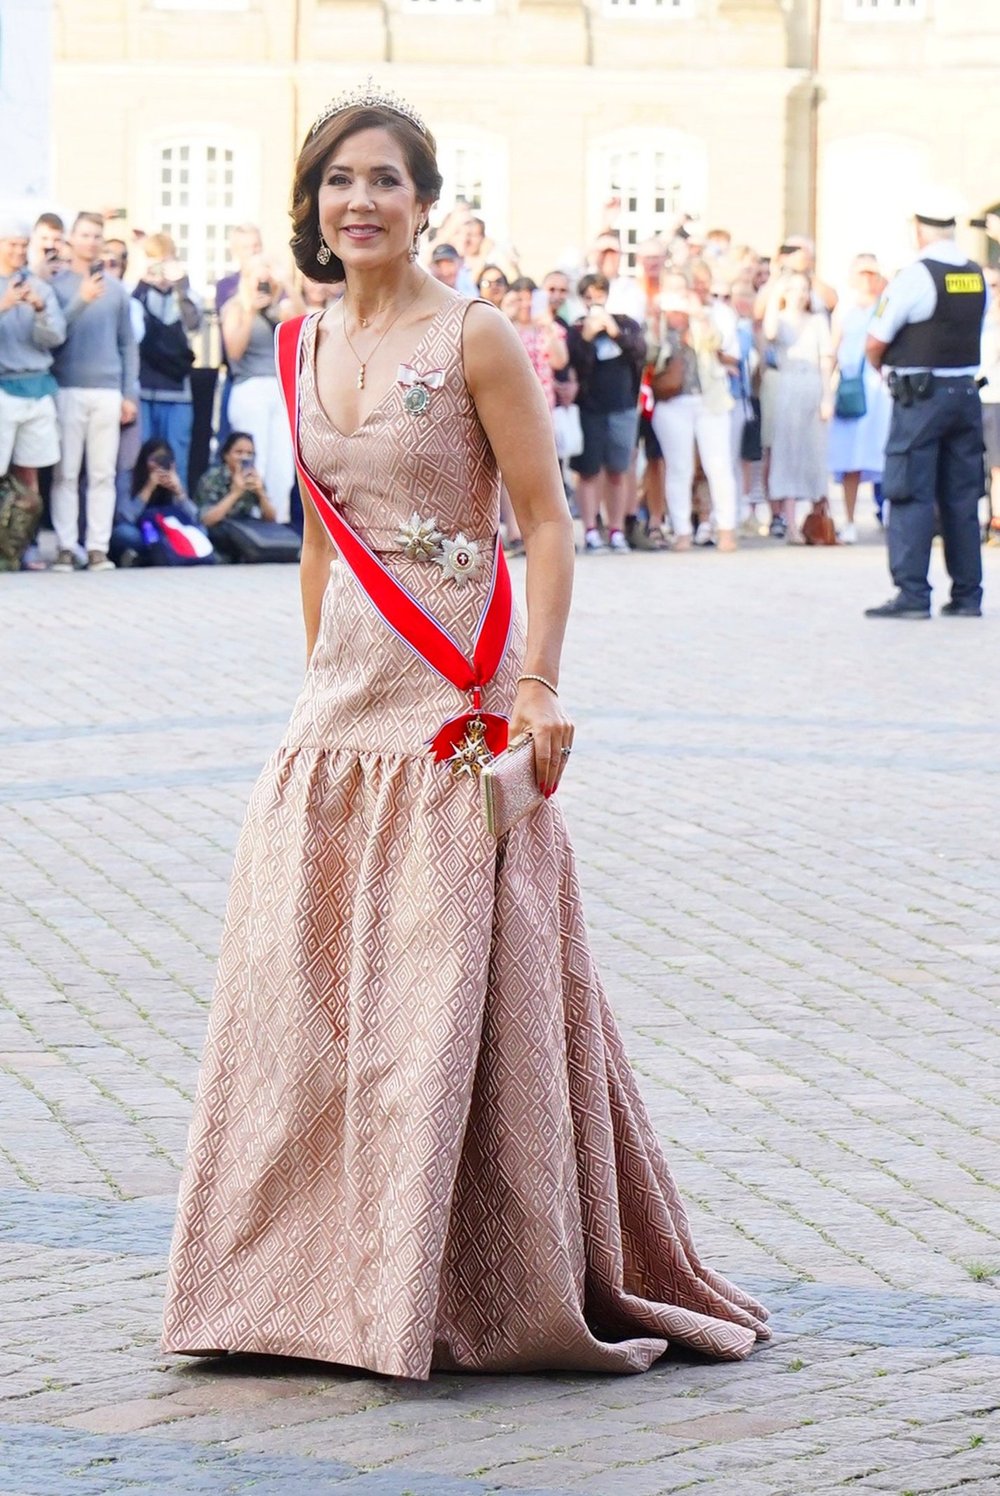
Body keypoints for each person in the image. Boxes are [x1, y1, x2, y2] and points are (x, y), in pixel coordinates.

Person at [162, 83, 769, 1377]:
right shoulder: (296, 340)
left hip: (460, 699)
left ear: (425, 204)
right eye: (339, 182)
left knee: (450, 1003)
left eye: (385, 180)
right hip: (342, 709)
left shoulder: (478, 336)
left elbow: (544, 521)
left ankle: (459, 1276)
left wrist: (537, 685)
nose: (361, 202)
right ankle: (302, 1277)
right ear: (313, 206)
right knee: (311, 1002)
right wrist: (319, 683)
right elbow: (326, 535)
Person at [865, 196, 987, 618]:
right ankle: (968, 595)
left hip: (921, 400)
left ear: (917, 229)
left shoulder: (916, 275)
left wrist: (883, 368)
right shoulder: (975, 274)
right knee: (961, 498)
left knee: (910, 492)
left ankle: (913, 594)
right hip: (965, 396)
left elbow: (877, 339)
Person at [50, 211, 139, 572]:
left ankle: (98, 547)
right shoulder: (57, 286)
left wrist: (128, 393)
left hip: (107, 390)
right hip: (67, 387)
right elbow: (53, 334)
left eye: (95, 235)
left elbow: (128, 345)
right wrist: (81, 300)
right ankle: (66, 547)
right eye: (84, 235)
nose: (90, 241)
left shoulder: (117, 290)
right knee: (66, 473)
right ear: (72, 239)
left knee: (103, 472)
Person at [0, 216, 66, 571]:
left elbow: (55, 337)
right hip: (2, 387)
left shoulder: (40, 287)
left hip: (37, 386)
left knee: (31, 474)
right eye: (10, 244)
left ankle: (23, 546)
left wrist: (40, 310)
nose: (17, 251)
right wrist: (5, 305)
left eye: (22, 245)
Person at [566, 272, 645, 552]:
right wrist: (586, 337)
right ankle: (589, 529)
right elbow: (572, 364)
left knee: (618, 471)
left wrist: (613, 331)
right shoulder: (576, 330)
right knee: (588, 471)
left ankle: (616, 529)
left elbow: (638, 352)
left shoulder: (626, 324)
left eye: (599, 295)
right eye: (588, 296)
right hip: (590, 409)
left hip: (622, 406)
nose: (594, 301)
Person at [220, 256, 296, 522]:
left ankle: (280, 519)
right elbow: (234, 352)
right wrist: (251, 311)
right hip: (249, 388)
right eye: (258, 278)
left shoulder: (280, 308)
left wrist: (287, 282)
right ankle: (251, 516)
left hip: (280, 389)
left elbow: (303, 325)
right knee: (255, 456)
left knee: (283, 463)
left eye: (267, 278)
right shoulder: (235, 308)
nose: (263, 283)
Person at [761, 270, 834, 545]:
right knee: (787, 452)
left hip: (812, 383)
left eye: (803, 289)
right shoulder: (779, 321)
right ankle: (789, 522)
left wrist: (827, 397)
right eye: (794, 289)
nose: (799, 295)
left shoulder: (817, 321)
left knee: (815, 452)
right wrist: (775, 294)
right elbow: (769, 332)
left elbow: (825, 359)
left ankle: (818, 520)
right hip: (788, 384)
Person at [828, 254, 892, 544]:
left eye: (872, 273)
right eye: (862, 273)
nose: (867, 279)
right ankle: (850, 519)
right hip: (853, 385)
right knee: (850, 455)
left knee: (887, 450)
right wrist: (825, 391)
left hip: (881, 388)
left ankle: (890, 513)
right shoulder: (845, 308)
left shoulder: (886, 305)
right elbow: (834, 347)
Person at [132, 232, 203, 492]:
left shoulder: (186, 293)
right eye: (154, 261)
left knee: (176, 458)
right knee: (141, 458)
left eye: (165, 261)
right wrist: (142, 281)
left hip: (177, 392)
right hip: (144, 390)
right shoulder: (136, 294)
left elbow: (194, 324)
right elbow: (132, 330)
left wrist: (180, 285)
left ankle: (177, 512)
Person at [109, 437, 212, 567]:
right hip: (141, 530)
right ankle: (156, 554)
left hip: (167, 531)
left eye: (164, 460)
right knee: (123, 533)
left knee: (202, 531)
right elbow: (125, 518)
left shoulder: (173, 477)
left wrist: (178, 491)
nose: (159, 465)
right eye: (154, 460)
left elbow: (194, 517)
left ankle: (149, 557)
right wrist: (148, 488)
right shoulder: (129, 477)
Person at [193, 429, 278, 558]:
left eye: (249, 454)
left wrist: (261, 493)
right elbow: (207, 520)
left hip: (243, 529)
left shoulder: (252, 476)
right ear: (226, 455)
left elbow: (271, 518)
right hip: (218, 531)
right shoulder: (212, 478)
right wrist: (236, 493)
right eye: (238, 452)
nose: (244, 458)